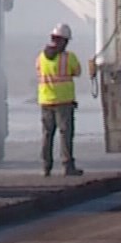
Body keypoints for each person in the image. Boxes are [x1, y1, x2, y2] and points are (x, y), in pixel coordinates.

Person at [36, 23, 83, 176]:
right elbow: (77, 71)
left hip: (46, 101)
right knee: (66, 134)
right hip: (63, 102)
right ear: (64, 41)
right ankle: (67, 165)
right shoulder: (69, 58)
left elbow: (38, 70)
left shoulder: (41, 57)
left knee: (47, 134)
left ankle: (46, 166)